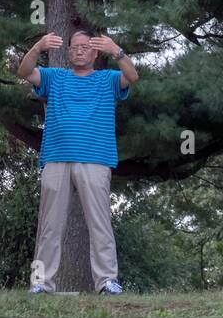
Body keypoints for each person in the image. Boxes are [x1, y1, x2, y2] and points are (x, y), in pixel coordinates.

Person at [17, 29, 138, 295]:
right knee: (49, 226)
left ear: (95, 53)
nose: (80, 50)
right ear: (68, 51)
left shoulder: (108, 79)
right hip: (56, 158)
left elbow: (132, 76)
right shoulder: (54, 77)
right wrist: (38, 46)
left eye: (85, 46)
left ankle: (107, 281)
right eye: (74, 47)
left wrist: (116, 50)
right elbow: (25, 72)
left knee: (100, 223)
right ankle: (41, 283)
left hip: (96, 159)